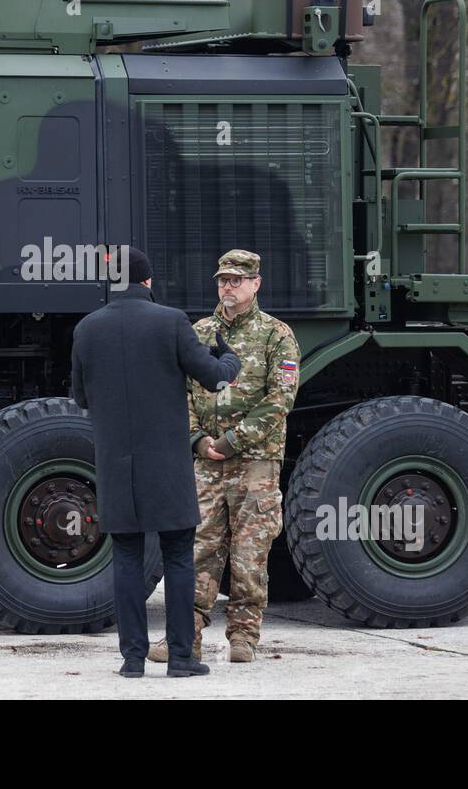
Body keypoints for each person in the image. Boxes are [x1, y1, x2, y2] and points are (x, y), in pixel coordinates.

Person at [70, 247, 241, 679]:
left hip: (116, 467)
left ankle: (131, 660)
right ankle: (181, 658)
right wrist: (230, 358)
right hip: (166, 466)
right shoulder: (171, 322)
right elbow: (214, 376)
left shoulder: (87, 329)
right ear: (148, 281)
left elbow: (80, 397)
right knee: (179, 556)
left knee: (126, 558)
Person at [147, 249, 300, 664]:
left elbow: (279, 399)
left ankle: (244, 636)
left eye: (236, 279)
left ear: (256, 284)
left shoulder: (277, 335)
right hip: (206, 463)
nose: (227, 286)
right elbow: (179, 394)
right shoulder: (197, 333)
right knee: (198, 551)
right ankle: (186, 636)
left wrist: (232, 440)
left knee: (250, 554)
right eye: (222, 280)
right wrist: (197, 439)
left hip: (255, 463)